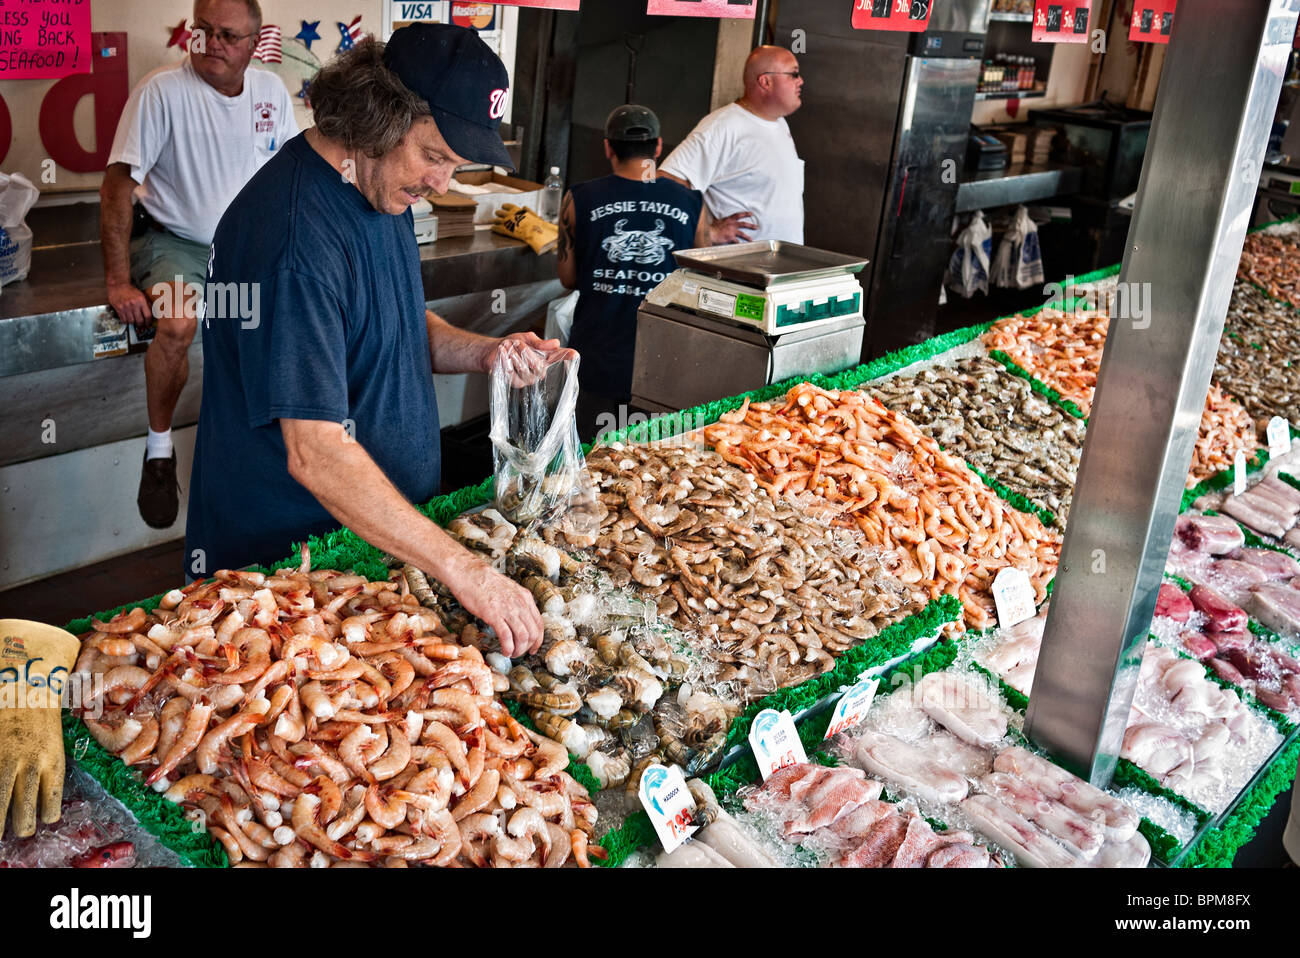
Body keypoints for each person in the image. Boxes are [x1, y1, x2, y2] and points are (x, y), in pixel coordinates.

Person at [185, 25, 559, 656]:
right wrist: (467, 571)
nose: (442, 184)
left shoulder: (379, 190)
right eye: (434, 156)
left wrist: (485, 354)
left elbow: (393, 324)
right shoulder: (296, 240)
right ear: (378, 118)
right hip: (286, 583)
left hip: (369, 555)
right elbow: (316, 452)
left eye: (455, 165)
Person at [101, 0, 298, 530]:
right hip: (172, 243)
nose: (213, 44)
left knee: (297, 317)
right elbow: (118, 186)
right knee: (180, 321)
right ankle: (159, 453)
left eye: (228, 36)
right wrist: (119, 279)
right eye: (204, 32)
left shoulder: (271, 94)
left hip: (243, 247)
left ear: (254, 45)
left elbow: (286, 181)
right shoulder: (160, 92)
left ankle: (268, 454)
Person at [557, 104, 731, 440]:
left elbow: (568, 278)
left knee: (592, 463)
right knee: (652, 471)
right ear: (659, 147)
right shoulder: (692, 202)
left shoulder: (580, 197)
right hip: (665, 359)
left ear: (608, 147)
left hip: (597, 355)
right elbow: (703, 282)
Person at [659, 45, 805, 245]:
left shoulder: (779, 124)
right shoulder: (723, 126)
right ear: (765, 81)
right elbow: (667, 183)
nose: (800, 81)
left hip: (778, 269)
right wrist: (709, 233)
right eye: (793, 74)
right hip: (736, 271)